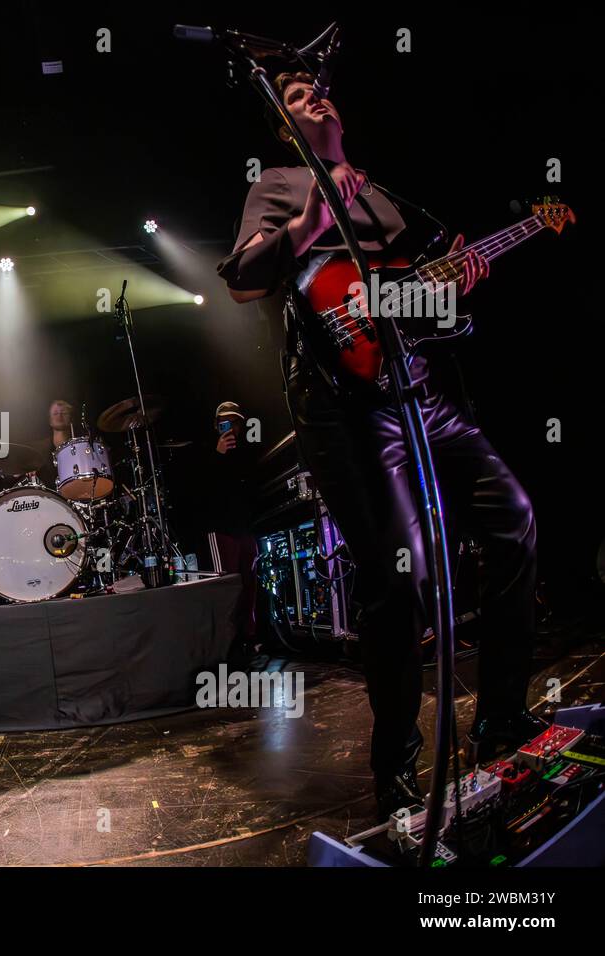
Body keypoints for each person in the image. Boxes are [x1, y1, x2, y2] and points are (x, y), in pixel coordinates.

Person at [216, 72, 540, 819]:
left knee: (515, 518)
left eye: (321, 88)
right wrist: (308, 221)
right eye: (297, 94)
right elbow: (243, 280)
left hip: (416, 389)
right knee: (402, 575)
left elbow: (404, 302)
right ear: (282, 122)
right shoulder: (277, 182)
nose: (318, 96)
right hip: (344, 410)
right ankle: (396, 763)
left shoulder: (384, 195)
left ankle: (498, 721)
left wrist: (457, 283)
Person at [202, 401, 260, 662]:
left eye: (234, 422)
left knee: (249, 585)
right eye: (225, 422)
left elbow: (251, 481)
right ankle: (229, 646)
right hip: (222, 528)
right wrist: (217, 456)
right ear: (216, 425)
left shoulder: (246, 450)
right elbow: (204, 493)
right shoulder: (208, 454)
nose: (230, 427)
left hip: (245, 527)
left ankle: (249, 639)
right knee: (228, 587)